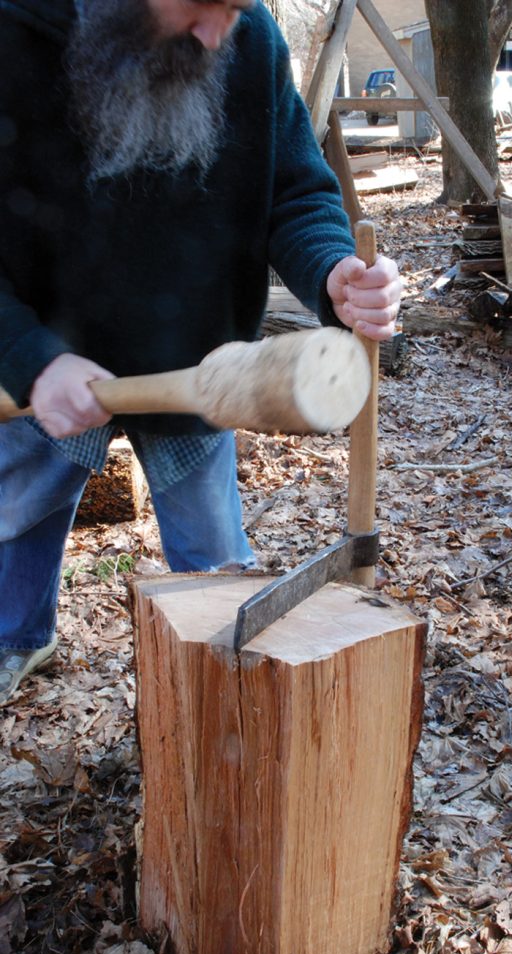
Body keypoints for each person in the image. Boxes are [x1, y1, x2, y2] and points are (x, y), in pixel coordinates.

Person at [0, 0, 402, 705]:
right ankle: (15, 638)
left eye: (236, 6)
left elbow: (297, 192)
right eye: (204, 2)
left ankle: (226, 693)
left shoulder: (251, 41)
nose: (222, 32)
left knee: (214, 564)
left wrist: (332, 269)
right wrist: (29, 357)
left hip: (200, 371)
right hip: (46, 361)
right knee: (15, 517)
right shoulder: (10, 36)